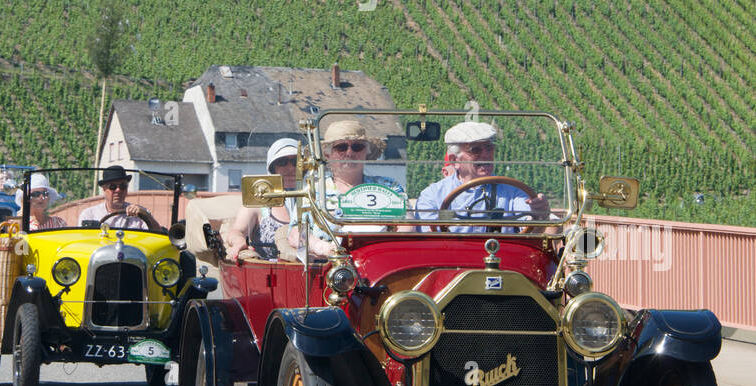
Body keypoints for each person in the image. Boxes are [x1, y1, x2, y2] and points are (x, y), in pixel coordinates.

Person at [289, 117, 405, 260]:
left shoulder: (389, 186)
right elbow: (295, 233)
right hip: (330, 267)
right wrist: (322, 248)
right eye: (341, 147)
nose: (350, 153)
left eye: (357, 147)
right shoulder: (313, 189)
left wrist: (387, 249)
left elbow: (407, 224)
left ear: (366, 153)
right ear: (327, 154)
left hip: (381, 262)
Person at [415, 121, 549, 231]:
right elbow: (430, 240)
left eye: (490, 148)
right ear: (454, 160)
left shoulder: (513, 192)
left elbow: (530, 228)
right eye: (476, 150)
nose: (486, 155)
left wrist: (538, 213)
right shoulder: (432, 195)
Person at [224, 139, 299, 262]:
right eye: (282, 162)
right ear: (273, 167)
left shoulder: (316, 201)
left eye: (296, 162)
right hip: (267, 275)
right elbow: (237, 230)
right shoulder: (259, 202)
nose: (290, 168)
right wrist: (239, 241)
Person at [77, 165, 160, 230]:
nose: (118, 190)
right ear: (104, 189)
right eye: (113, 187)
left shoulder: (141, 213)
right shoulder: (89, 214)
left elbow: (158, 234)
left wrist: (145, 215)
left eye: (123, 186)